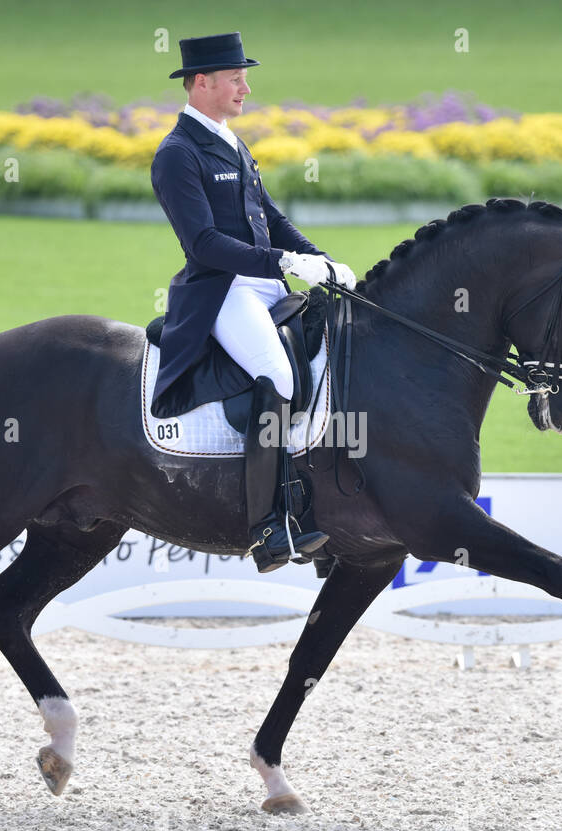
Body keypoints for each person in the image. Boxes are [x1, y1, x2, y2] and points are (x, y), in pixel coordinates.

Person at [151, 32, 356, 573]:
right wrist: (285, 265)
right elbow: (204, 245)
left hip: (265, 283)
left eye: (245, 76)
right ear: (202, 83)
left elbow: (273, 221)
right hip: (222, 291)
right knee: (279, 377)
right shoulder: (177, 154)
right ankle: (269, 525)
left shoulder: (232, 143)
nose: (247, 86)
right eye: (236, 77)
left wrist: (323, 261)